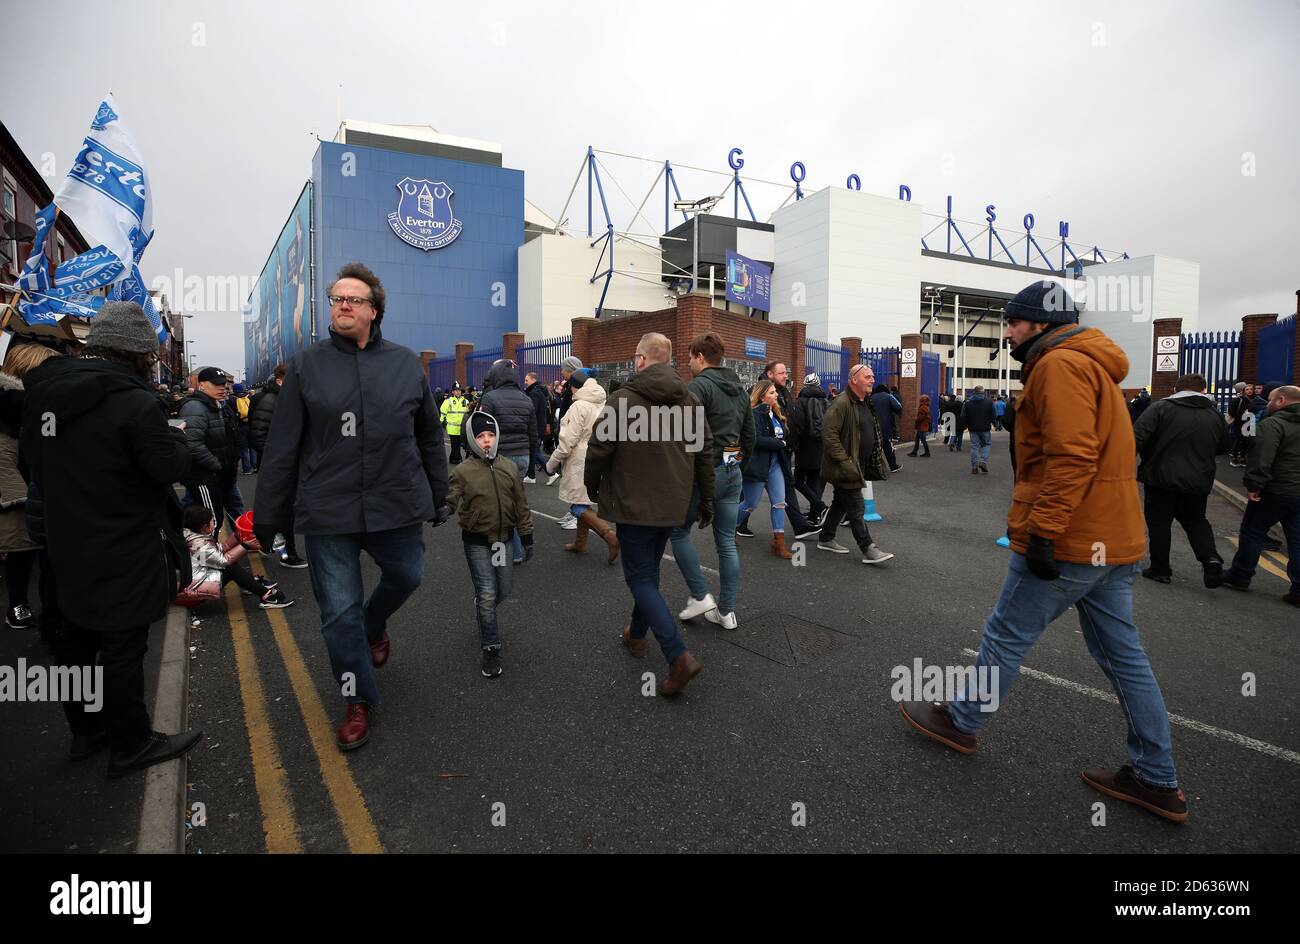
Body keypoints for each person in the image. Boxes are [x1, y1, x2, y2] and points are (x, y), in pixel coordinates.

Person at [898, 280, 1188, 823]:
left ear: (1039, 325)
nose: (1007, 332)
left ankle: (961, 722)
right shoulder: (1096, 364)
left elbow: (1073, 457)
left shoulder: (1058, 366)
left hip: (1073, 540)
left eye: (1013, 322)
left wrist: (1046, 533)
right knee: (1124, 658)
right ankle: (1156, 776)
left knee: (1006, 634)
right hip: (1114, 542)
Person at [254, 263, 450, 751]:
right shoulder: (306, 366)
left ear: (374, 310)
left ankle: (375, 624)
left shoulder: (406, 364)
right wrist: (269, 516)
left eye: (353, 299)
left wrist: (438, 492)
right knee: (338, 614)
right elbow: (282, 447)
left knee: (408, 577)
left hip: (395, 503)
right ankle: (357, 697)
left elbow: (428, 434)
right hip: (329, 510)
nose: (341, 304)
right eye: (336, 298)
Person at [21, 301, 203, 776]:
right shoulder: (134, 401)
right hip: (125, 538)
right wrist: (178, 440)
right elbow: (168, 467)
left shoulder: (44, 394)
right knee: (123, 643)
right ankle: (132, 742)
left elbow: (29, 466)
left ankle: (87, 732)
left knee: (75, 639)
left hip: (66, 539)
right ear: (139, 351)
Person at [585, 332, 713, 696]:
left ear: (640, 360)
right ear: (669, 360)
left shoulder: (622, 400)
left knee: (640, 578)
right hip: (672, 505)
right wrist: (706, 500)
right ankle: (636, 635)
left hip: (633, 505)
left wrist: (593, 487)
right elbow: (704, 453)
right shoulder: (688, 402)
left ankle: (677, 656)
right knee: (649, 573)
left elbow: (598, 450)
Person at [671, 333, 755, 630]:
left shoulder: (698, 386)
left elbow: (684, 436)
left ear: (701, 357)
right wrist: (732, 459)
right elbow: (748, 437)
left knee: (679, 532)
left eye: (691, 357)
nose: (689, 362)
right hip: (732, 474)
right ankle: (727, 611)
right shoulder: (741, 391)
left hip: (703, 474)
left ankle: (699, 596)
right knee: (727, 544)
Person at [448, 412, 534, 678]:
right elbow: (450, 499)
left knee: (503, 590)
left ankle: (484, 610)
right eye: (480, 436)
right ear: (472, 441)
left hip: (503, 540)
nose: (486, 441)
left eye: (490, 435)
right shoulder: (462, 471)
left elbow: (521, 504)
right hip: (476, 541)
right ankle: (491, 646)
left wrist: (526, 535)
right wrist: (440, 509)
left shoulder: (508, 467)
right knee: (487, 593)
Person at [1132, 373, 1229, 586]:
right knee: (1196, 520)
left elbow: (1137, 438)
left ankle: (1160, 569)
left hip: (1160, 476)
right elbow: (1223, 447)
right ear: (1203, 390)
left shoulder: (1160, 408)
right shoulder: (1214, 415)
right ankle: (1210, 558)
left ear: (1176, 389)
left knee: (1159, 523)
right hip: (1198, 479)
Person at [1223, 384, 1300, 606]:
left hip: (1275, 490)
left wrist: (1254, 484)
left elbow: (1261, 458)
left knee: (1252, 532)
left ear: (1282, 401)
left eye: (1272, 400)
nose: (1269, 404)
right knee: (1297, 540)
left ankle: (1240, 575)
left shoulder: (1273, 424)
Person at [815, 363, 895, 564]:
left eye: (872, 376)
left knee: (840, 503)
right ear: (854, 380)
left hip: (857, 464)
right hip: (844, 467)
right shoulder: (841, 403)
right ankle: (868, 548)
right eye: (867, 377)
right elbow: (828, 434)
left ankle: (825, 538)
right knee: (857, 507)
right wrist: (845, 461)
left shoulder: (863, 401)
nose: (872, 380)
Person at [0, 343, 53, 631]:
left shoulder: (39, 400)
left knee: (43, 552)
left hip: (37, 484)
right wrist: (18, 495)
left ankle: (48, 611)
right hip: (17, 491)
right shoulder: (10, 401)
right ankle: (17, 605)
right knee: (21, 550)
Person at [546, 368, 618, 562]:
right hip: (599, 455)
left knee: (577, 505)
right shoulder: (604, 403)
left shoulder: (579, 406)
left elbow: (567, 440)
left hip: (580, 458)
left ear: (575, 388)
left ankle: (609, 536)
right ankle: (581, 543)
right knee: (583, 500)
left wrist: (552, 463)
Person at [739, 362, 818, 538]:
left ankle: (793, 531)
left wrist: (790, 442)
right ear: (770, 374)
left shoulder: (783, 393)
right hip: (760, 459)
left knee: (781, 498)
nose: (785, 376)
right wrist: (780, 443)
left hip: (780, 456)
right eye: (781, 373)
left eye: (785, 372)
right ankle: (733, 524)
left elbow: (787, 420)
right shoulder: (755, 395)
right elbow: (754, 435)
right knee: (749, 500)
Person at [478, 359, 539, 564]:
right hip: (522, 456)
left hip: (500, 455)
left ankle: (508, 553)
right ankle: (521, 546)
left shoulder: (490, 398)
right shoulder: (526, 398)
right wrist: (531, 464)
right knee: (516, 501)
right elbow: (533, 433)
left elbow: (483, 431)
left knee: (498, 505)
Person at [175, 504, 291, 609]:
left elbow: (219, 550)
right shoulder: (199, 545)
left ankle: (249, 583)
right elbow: (223, 561)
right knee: (230, 568)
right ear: (204, 527)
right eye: (212, 521)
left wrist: (237, 535)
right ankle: (267, 596)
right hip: (190, 594)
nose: (214, 523)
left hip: (189, 586)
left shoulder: (192, 536)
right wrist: (245, 545)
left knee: (231, 565)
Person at [247, 364, 307, 568]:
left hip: (286, 464)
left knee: (282, 510)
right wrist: (279, 455)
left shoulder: (284, 398)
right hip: (280, 466)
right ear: (282, 379)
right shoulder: (272, 400)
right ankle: (287, 553)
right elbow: (259, 434)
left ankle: (268, 545)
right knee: (283, 510)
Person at [738, 379, 800, 560]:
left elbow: (783, 436)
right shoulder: (753, 413)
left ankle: (778, 543)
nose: (777, 395)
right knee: (749, 504)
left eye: (776, 392)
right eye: (772, 393)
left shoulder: (776, 413)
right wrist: (779, 443)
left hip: (776, 465)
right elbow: (754, 439)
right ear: (762, 395)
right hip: (757, 465)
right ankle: (727, 529)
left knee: (780, 502)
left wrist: (784, 441)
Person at [179, 366, 240, 534]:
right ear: (202, 385)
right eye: (217, 385)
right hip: (206, 477)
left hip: (221, 475)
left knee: (223, 514)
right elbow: (193, 444)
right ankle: (207, 558)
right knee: (210, 522)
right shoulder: (195, 407)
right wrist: (218, 465)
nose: (223, 388)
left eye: (224, 385)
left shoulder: (220, 406)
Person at [787, 371, 829, 526]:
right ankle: (814, 514)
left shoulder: (800, 402)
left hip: (805, 448)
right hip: (821, 447)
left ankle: (820, 507)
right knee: (813, 482)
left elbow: (795, 426)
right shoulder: (826, 401)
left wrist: (793, 445)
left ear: (805, 385)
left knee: (797, 480)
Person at [523, 371, 552, 483]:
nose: (525, 382)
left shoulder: (534, 393)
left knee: (534, 450)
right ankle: (531, 475)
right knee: (533, 450)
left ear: (533, 380)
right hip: (540, 425)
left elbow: (532, 410)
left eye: (527, 380)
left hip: (535, 426)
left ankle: (551, 472)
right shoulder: (540, 391)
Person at [962, 385, 996, 474]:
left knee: (974, 446)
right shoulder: (989, 402)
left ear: (974, 392)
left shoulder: (968, 402)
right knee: (986, 444)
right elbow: (993, 414)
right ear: (983, 392)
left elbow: (963, 416)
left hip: (973, 428)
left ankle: (974, 467)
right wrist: (994, 423)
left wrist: (966, 425)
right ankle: (983, 461)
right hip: (985, 427)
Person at [870, 383, 903, 472]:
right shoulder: (888, 396)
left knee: (874, 447)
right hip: (886, 426)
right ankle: (893, 466)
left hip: (872, 426)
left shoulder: (871, 398)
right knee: (888, 446)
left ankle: (874, 467)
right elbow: (899, 407)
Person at [440, 382, 469, 464]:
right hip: (452, 429)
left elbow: (468, 413)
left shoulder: (466, 401)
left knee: (460, 444)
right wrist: (439, 423)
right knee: (455, 445)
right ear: (452, 392)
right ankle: (456, 459)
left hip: (462, 428)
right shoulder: (448, 401)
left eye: (459, 390)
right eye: (456, 390)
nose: (458, 392)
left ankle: (454, 458)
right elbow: (442, 413)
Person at [1226, 381, 1251, 467]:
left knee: (1246, 441)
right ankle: (1235, 458)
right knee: (1238, 440)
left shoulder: (1254, 400)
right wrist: (1241, 417)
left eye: (1251, 389)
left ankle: (1243, 457)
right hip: (1239, 423)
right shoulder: (1238, 399)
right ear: (1243, 391)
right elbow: (1231, 411)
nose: (1250, 391)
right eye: (1247, 389)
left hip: (1250, 423)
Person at [232, 382, 255, 474]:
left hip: (241, 425)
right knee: (252, 446)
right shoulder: (248, 397)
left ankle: (247, 468)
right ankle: (255, 466)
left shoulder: (233, 400)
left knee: (244, 448)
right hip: (251, 423)